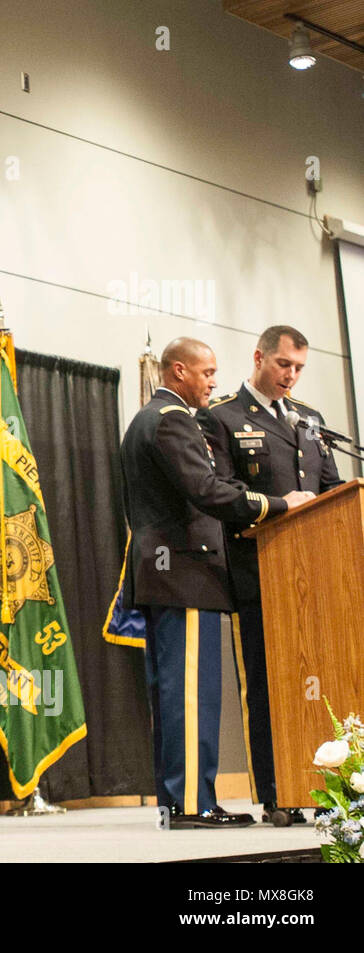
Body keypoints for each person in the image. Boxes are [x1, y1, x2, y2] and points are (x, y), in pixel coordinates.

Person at [119, 337, 312, 829]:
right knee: (188, 695)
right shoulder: (171, 419)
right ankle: (190, 804)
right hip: (184, 574)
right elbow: (206, 490)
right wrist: (279, 504)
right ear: (178, 371)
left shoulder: (156, 418)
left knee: (178, 695)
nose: (212, 382)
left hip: (175, 574)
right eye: (206, 373)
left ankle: (181, 799)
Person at [197, 325, 342, 823]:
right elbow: (221, 491)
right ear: (259, 357)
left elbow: (331, 488)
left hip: (321, 576)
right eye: (284, 365)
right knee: (266, 684)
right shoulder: (222, 416)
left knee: (327, 681)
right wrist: (283, 508)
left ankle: (331, 788)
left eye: (300, 368)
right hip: (261, 572)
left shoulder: (311, 420)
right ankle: (278, 791)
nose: (292, 377)